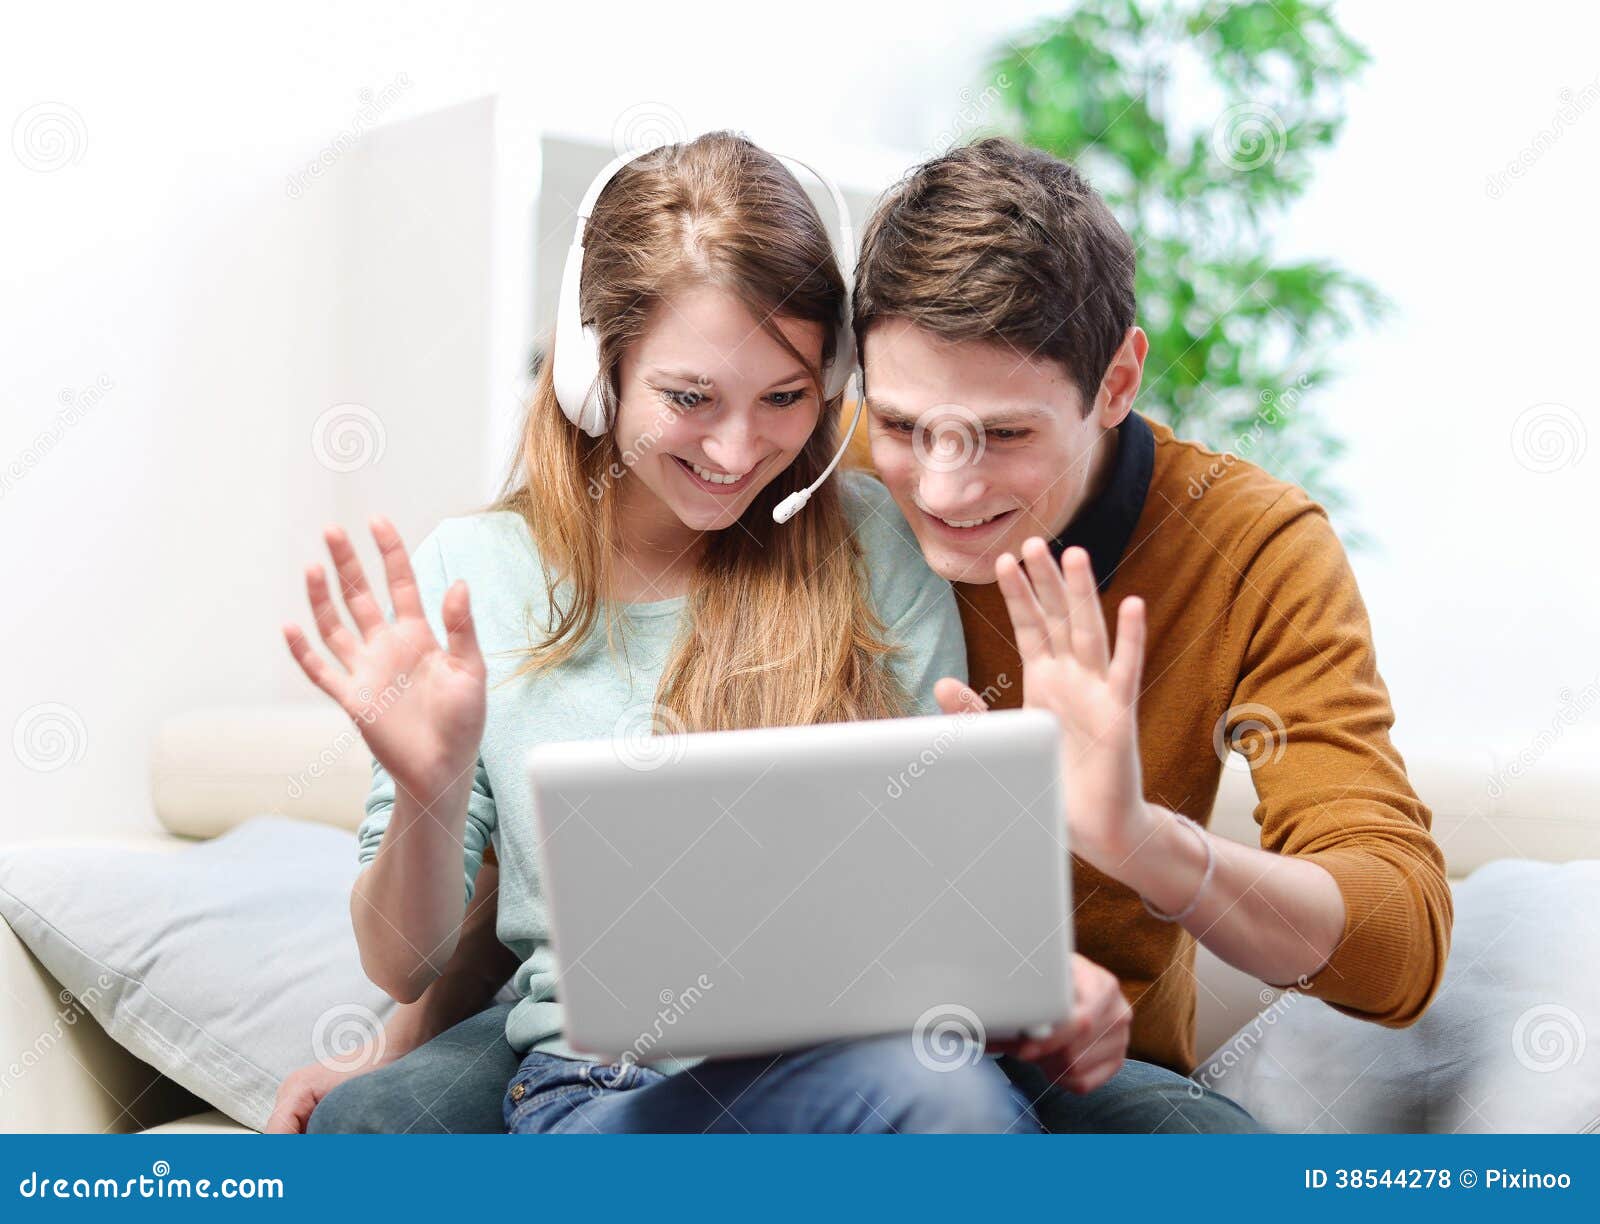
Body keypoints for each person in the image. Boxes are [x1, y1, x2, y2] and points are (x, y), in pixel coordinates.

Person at [272, 131, 1137, 1135]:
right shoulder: (473, 577)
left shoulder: (873, 546)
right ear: (596, 374)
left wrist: (1035, 965)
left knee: (940, 1097)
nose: (736, 450)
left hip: (870, 1075)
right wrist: (428, 791)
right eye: (690, 399)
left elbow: (948, 913)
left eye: (783, 400)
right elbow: (400, 961)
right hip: (598, 1093)